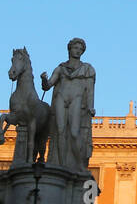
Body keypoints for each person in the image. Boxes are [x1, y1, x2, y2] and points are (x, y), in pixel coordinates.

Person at [41, 37, 96, 171]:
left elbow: (90, 90)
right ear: (70, 49)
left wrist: (90, 106)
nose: (78, 51)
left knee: (74, 132)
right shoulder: (60, 68)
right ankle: (61, 165)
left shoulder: (87, 69)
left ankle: (79, 164)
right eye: (75, 48)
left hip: (76, 99)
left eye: (80, 49)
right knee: (59, 131)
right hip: (61, 98)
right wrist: (43, 79)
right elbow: (48, 86)